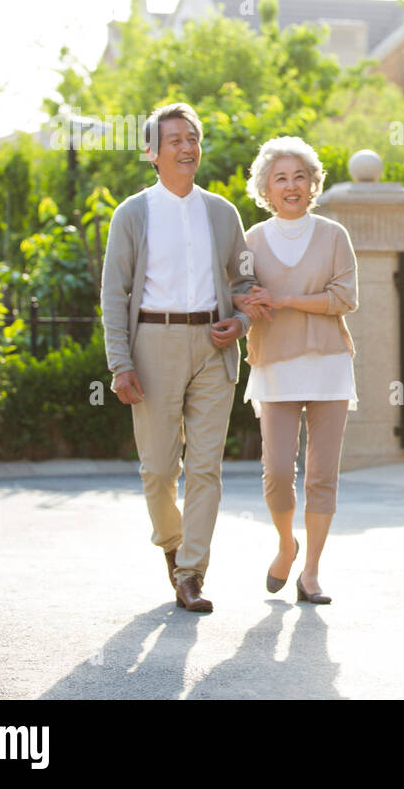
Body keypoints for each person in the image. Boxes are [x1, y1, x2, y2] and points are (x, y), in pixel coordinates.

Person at [101, 102, 258, 614]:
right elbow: (112, 293)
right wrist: (120, 363)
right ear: (152, 152)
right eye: (175, 141)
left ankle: (191, 573)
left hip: (213, 346)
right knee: (158, 469)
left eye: (192, 138)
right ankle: (172, 548)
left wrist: (242, 321)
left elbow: (245, 281)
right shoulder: (132, 213)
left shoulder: (221, 212)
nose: (187, 148)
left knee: (206, 467)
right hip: (153, 344)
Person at [233, 137, 358, 606]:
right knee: (278, 470)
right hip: (274, 365)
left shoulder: (333, 235)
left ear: (312, 183)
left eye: (299, 176)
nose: (291, 185)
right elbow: (238, 293)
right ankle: (286, 545)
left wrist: (283, 299)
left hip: (329, 365)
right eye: (280, 178)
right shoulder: (250, 240)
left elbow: (346, 297)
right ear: (266, 187)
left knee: (322, 475)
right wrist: (247, 300)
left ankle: (310, 573)